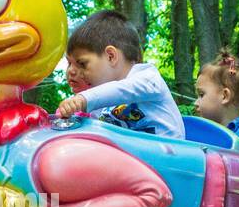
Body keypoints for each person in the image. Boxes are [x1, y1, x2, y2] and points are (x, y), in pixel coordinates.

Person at [55, 10, 186, 138]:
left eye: (82, 63)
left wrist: (83, 99)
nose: (71, 71)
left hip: (169, 154)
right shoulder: (102, 105)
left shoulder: (147, 79)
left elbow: (121, 90)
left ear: (111, 56)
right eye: (69, 64)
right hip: (130, 156)